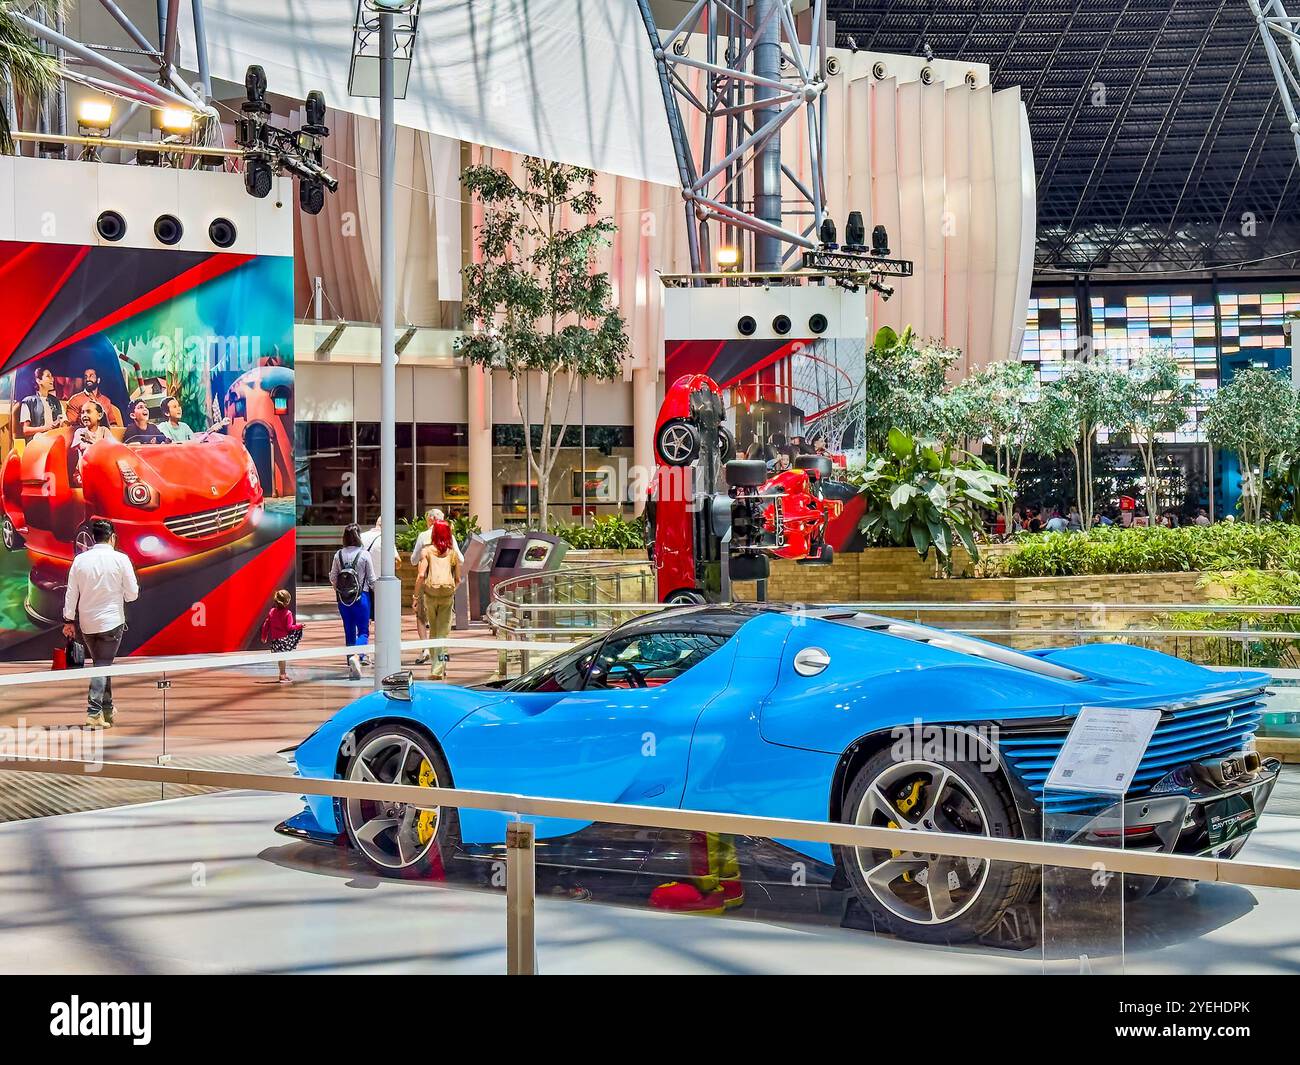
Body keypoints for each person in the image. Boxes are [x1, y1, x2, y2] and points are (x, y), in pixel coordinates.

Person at [62, 518, 138, 729]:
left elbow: (71, 594)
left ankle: (107, 710)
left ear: (93, 538)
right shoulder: (121, 559)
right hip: (112, 622)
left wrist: (68, 620)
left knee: (102, 665)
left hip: (87, 624)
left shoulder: (80, 560)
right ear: (112, 537)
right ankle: (94, 711)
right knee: (102, 666)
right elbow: (132, 594)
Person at [411, 508, 464, 663]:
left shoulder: (424, 540)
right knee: (443, 627)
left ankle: (426, 649)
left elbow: (415, 562)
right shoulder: (450, 540)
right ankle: (441, 660)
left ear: (432, 520)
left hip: (427, 588)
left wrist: (414, 596)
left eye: (428, 518)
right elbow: (460, 559)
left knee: (423, 618)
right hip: (447, 589)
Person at [330, 523, 375, 680]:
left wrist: (340, 589)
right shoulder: (364, 555)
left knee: (348, 630)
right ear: (358, 536)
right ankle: (357, 656)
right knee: (363, 631)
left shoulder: (338, 555)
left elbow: (333, 577)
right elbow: (372, 579)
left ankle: (350, 663)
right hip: (361, 597)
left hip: (344, 599)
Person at [260, 589, 303, 683]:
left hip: (275, 641)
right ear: (287, 602)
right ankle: (282, 675)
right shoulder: (288, 614)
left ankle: (282, 673)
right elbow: (289, 627)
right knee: (283, 658)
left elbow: (266, 625)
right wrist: (299, 626)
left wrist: (264, 636)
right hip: (284, 640)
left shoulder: (272, 612)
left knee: (281, 658)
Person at [69, 401, 113, 486]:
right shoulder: (80, 432)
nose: (84, 415)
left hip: (101, 469)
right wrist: (96, 447)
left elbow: (112, 447)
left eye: (88, 412)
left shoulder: (104, 430)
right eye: (82, 412)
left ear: (99, 416)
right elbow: (82, 446)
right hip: (84, 472)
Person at [19, 365, 67, 440]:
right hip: (38, 440)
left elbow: (64, 425)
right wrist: (47, 428)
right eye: (48, 376)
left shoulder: (56, 401)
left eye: (52, 376)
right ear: (39, 381)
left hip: (55, 439)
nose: (52, 379)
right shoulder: (28, 401)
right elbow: (26, 430)